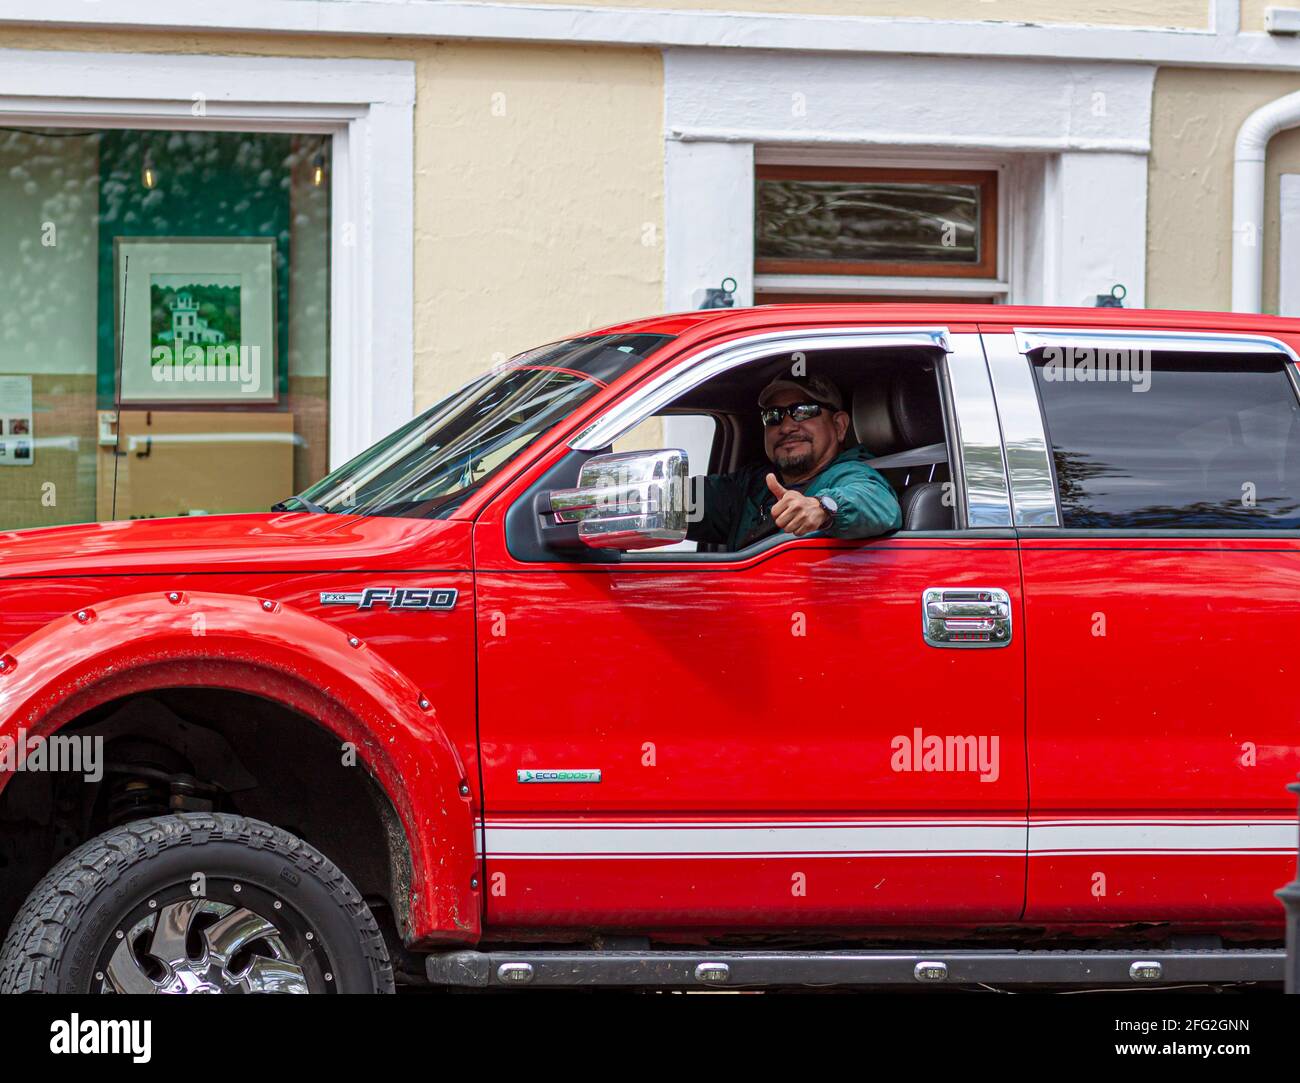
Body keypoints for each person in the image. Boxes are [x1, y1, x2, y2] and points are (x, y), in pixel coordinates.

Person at [686, 373, 902, 551]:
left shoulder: (851, 473)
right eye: (773, 415)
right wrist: (655, 497)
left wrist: (823, 508)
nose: (787, 426)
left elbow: (878, 503)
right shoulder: (751, 484)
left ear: (839, 426)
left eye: (803, 411)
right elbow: (685, 501)